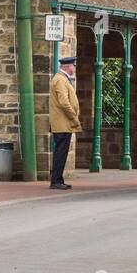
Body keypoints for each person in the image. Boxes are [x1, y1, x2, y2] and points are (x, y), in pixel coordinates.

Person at [49, 55, 81, 189]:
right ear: (68, 66)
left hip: (63, 123)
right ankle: (56, 181)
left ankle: (58, 179)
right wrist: (73, 117)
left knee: (61, 152)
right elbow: (64, 102)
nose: (74, 68)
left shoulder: (62, 79)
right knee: (60, 152)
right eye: (73, 65)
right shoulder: (60, 80)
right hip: (63, 123)